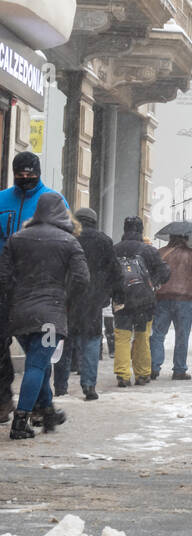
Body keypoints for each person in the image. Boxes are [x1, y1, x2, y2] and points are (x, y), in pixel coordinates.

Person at [0, 193, 88, 439]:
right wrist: (66, 301)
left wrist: (16, 299)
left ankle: (46, 410)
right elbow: (82, 279)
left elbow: (3, 277)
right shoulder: (68, 242)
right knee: (37, 365)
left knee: (38, 364)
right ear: (62, 213)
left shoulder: (17, 238)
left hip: (20, 315)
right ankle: (21, 421)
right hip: (50, 316)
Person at [0, 152, 69, 422]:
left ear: (38, 173)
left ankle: (42, 405)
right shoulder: (3, 199)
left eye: (31, 173)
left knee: (37, 352)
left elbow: (67, 245)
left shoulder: (53, 201)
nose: (26, 178)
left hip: (37, 288)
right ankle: (6, 399)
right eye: (21, 174)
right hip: (4, 285)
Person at [53, 208, 120, 401]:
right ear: (94, 221)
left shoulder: (67, 237)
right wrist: (117, 295)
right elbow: (114, 271)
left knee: (64, 342)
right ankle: (89, 385)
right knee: (91, 340)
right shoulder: (104, 241)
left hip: (68, 299)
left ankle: (60, 386)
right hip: (93, 300)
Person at [112, 216, 170, 388]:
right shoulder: (148, 250)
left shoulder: (115, 249)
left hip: (121, 298)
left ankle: (122, 374)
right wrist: (154, 283)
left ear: (124, 229)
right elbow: (165, 271)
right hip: (144, 300)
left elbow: (108, 273)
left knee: (122, 337)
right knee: (142, 336)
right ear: (141, 230)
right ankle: (142, 374)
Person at [150, 234, 192, 381]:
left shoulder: (161, 252)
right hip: (184, 300)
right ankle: (179, 370)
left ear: (170, 237)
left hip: (162, 298)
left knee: (158, 334)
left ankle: (153, 367)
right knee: (182, 336)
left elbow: (152, 274)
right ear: (186, 238)